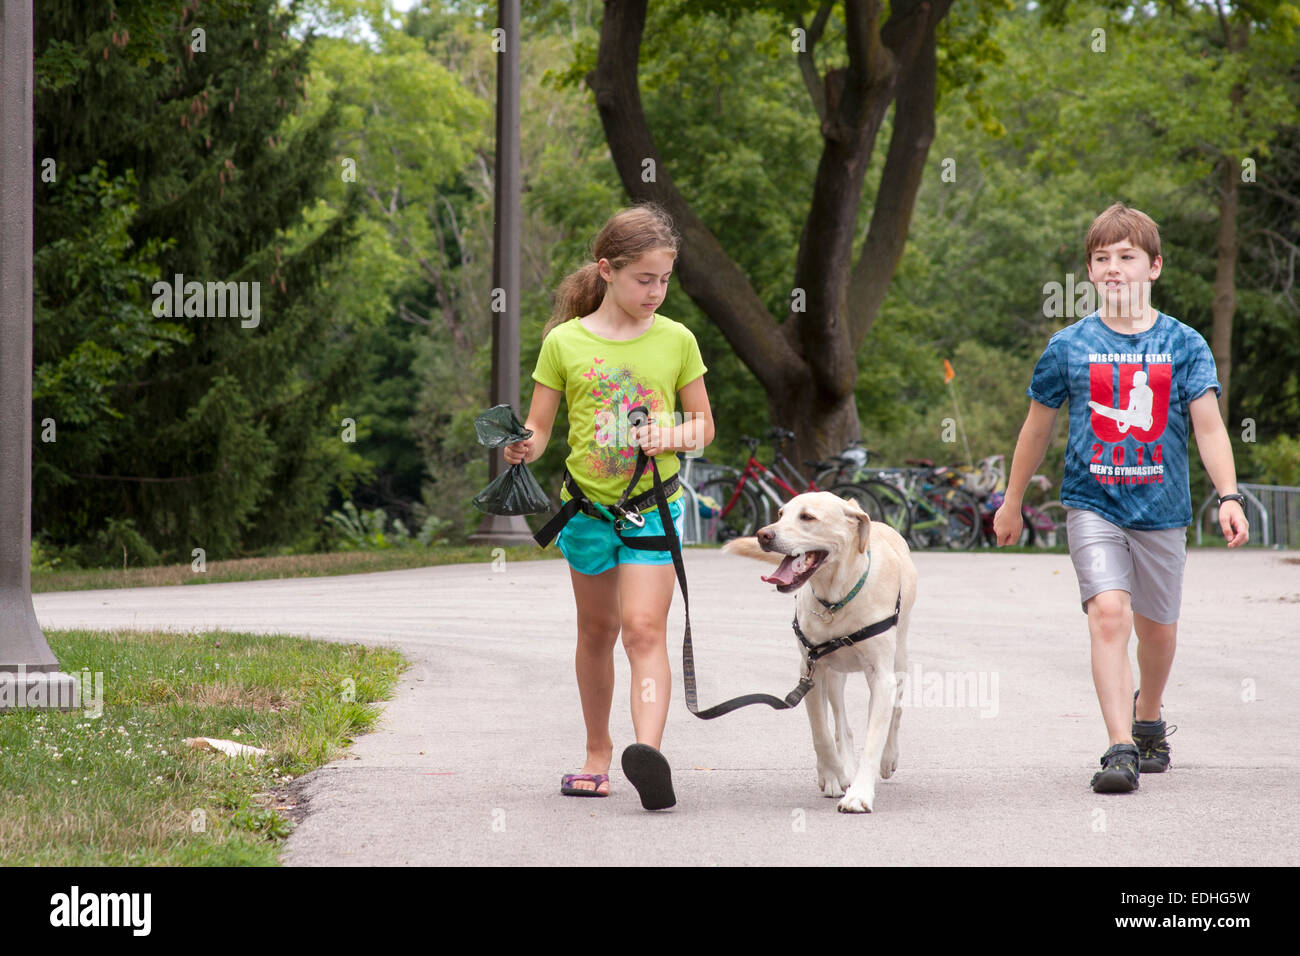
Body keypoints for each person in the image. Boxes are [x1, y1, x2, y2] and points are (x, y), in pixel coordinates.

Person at [993, 202, 1249, 794]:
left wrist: (1228, 495)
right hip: (1093, 503)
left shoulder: (1184, 344)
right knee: (1108, 615)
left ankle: (1148, 716)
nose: (1114, 267)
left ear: (1153, 267)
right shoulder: (1068, 346)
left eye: (1127, 257)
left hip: (1162, 508)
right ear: (1089, 271)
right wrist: (1011, 502)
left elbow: (1208, 428)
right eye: (1101, 258)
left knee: (1157, 631)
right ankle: (1119, 748)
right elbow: (1036, 430)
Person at [504, 204, 714, 810]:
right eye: (644, 279)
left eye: (665, 279)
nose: (656, 291)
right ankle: (598, 752)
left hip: (652, 507)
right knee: (597, 630)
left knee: (645, 630)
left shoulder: (677, 339)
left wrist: (669, 435)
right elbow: (542, 430)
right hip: (588, 513)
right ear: (608, 270)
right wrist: (525, 445)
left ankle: (646, 754)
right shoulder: (564, 343)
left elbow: (703, 426)